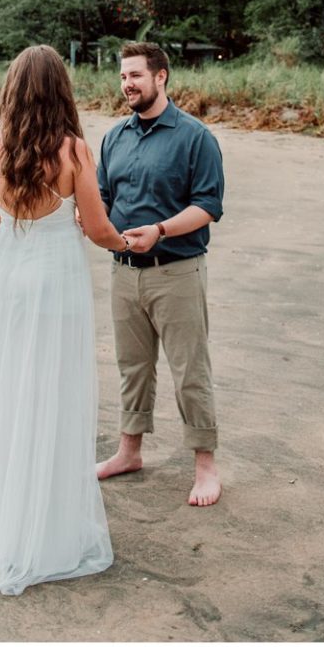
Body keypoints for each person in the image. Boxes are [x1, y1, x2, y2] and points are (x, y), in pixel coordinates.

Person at [0, 45, 134, 598]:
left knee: (2, 390)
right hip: (54, 279)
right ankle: (40, 527)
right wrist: (127, 241)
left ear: (12, 89)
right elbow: (100, 228)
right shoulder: (73, 150)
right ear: (61, 88)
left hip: (4, 276)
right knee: (49, 393)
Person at [96, 42, 224, 507]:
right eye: (123, 76)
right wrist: (92, 220)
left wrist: (162, 230)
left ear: (161, 77)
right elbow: (104, 196)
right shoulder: (114, 137)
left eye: (135, 75)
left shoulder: (195, 137)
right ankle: (129, 451)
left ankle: (205, 466)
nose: (127, 84)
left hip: (177, 271)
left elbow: (209, 205)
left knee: (190, 370)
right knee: (132, 367)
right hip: (124, 273)